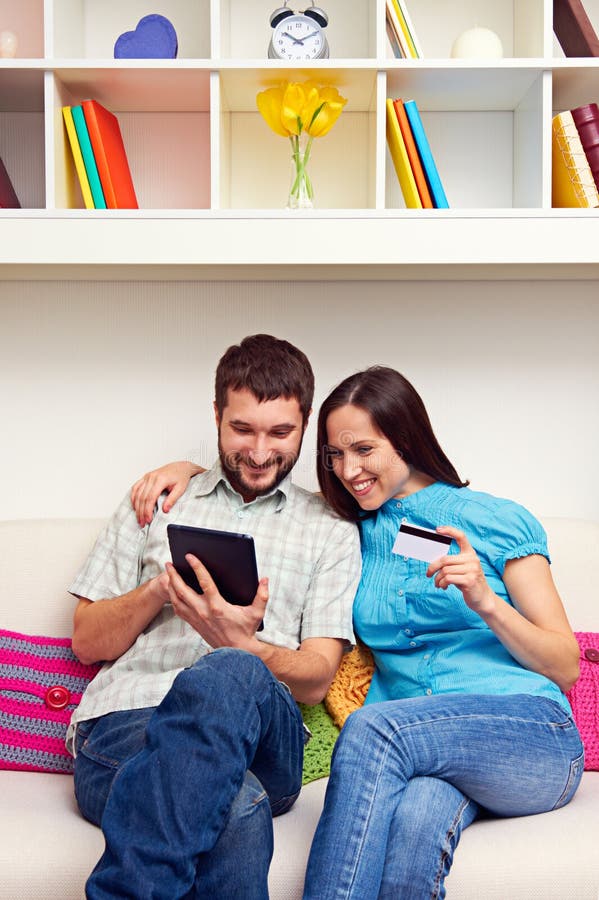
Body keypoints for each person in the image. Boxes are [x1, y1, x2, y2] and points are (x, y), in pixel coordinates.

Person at [136, 365, 583, 900]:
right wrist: (191, 470)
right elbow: (253, 488)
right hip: (426, 758)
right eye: (334, 455)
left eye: (364, 450)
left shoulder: (493, 520)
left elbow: (565, 664)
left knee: (371, 730)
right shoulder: (356, 533)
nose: (348, 469)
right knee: (416, 826)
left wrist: (487, 603)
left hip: (529, 735)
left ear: (406, 439)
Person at [67, 334, 361, 900]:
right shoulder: (158, 503)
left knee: (231, 668)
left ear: (305, 426)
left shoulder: (330, 530)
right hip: (130, 725)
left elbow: (319, 675)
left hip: (264, 735)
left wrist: (245, 647)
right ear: (216, 416)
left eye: (281, 433)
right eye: (242, 429)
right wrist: (160, 589)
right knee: (235, 808)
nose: (258, 452)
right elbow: (86, 642)